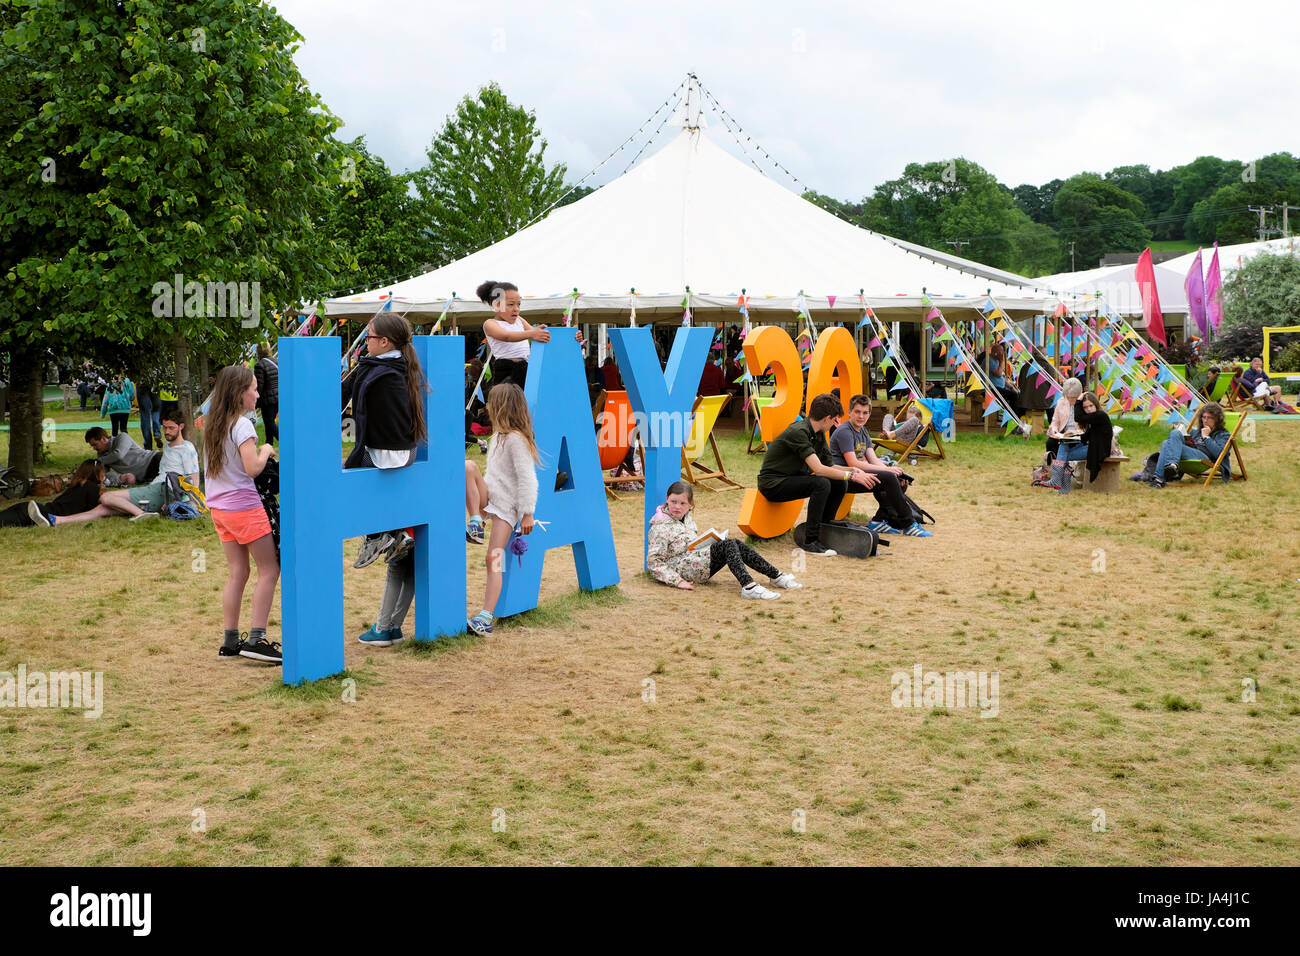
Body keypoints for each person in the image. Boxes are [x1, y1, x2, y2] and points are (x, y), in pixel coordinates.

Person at [204, 365, 280, 664]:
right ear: (240, 393)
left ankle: (230, 642)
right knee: (269, 570)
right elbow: (252, 469)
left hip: (219, 509)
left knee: (238, 572)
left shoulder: (213, 423)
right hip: (244, 508)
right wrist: (266, 451)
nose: (258, 394)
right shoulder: (244, 426)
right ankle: (258, 640)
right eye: (254, 388)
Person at [345, 313, 427, 574]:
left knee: (349, 475)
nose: (365, 342)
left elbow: (345, 395)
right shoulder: (401, 365)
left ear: (384, 342)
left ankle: (377, 534)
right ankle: (396, 531)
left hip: (388, 453)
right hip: (408, 451)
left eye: (368, 336)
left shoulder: (377, 372)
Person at [756, 392, 883, 555]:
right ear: (827, 418)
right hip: (773, 484)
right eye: (835, 419)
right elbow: (819, 469)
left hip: (791, 478)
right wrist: (852, 476)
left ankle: (825, 526)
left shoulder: (818, 433)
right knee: (821, 483)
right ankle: (810, 541)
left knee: (838, 481)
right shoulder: (799, 432)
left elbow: (830, 465)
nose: (835, 423)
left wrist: (853, 470)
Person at [468, 384, 540, 636]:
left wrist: (527, 513)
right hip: (490, 500)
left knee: (493, 559)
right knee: (468, 467)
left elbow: (527, 478)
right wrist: (481, 506)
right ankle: (475, 521)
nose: (486, 407)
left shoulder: (516, 441)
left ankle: (485, 617)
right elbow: (493, 475)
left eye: (490, 403)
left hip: (507, 510)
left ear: (502, 408)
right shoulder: (497, 438)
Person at [647, 481, 801, 599]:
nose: (677, 507)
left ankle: (776, 576)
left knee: (734, 543)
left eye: (682, 503)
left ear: (690, 505)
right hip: (681, 570)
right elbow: (654, 562)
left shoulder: (687, 518)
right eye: (673, 502)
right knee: (728, 545)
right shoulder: (660, 526)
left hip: (694, 559)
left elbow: (689, 543)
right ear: (667, 499)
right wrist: (678, 581)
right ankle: (749, 587)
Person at [830, 394, 932, 537]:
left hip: (859, 475)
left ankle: (878, 521)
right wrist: (888, 471)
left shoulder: (863, 431)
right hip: (843, 477)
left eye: (865, 413)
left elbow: (873, 459)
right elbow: (853, 463)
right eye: (857, 412)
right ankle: (908, 524)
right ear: (849, 412)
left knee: (899, 480)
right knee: (889, 477)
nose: (861, 416)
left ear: (869, 414)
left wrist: (891, 470)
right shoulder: (844, 431)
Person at [478, 279, 583, 393]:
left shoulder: (519, 320)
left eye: (518, 304)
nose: (516, 309)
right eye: (511, 304)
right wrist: (532, 333)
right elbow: (507, 336)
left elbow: (541, 335)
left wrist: (571, 337)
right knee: (508, 405)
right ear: (497, 305)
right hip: (505, 370)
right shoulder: (490, 324)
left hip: (526, 368)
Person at [97, 408, 200, 518]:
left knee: (105, 497)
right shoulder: (167, 446)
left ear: (181, 427)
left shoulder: (187, 448)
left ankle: (142, 514)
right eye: (164, 427)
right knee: (103, 509)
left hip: (164, 490)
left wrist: (176, 500)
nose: (166, 431)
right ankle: (75, 519)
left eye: (171, 428)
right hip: (156, 488)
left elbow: (194, 480)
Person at [0, 461, 113, 528]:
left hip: (34, 508)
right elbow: (102, 508)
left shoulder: (75, 486)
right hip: (38, 514)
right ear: (98, 473)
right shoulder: (91, 488)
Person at [1146, 402, 1232, 488]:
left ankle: (1161, 476)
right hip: (1191, 454)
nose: (1205, 421)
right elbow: (1188, 444)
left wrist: (1206, 437)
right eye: (1204, 417)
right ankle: (1170, 468)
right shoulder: (1196, 432)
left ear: (1217, 419)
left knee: (1166, 444)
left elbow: (1219, 453)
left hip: (1205, 458)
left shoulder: (1223, 435)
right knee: (1172, 436)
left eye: (1209, 418)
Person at [1045, 377, 1087, 494]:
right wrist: (1054, 430)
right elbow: (1055, 421)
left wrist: (1075, 433)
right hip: (1064, 433)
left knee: (1064, 446)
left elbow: (1088, 426)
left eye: (1074, 397)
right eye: (1069, 397)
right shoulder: (1061, 402)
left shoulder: (1086, 402)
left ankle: (1058, 479)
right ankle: (1056, 474)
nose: (1071, 399)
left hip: (1080, 434)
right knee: (1051, 443)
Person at [84, 426, 161, 485]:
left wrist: (95, 462)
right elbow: (103, 476)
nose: (94, 448)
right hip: (145, 476)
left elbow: (118, 455)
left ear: (104, 439)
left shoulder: (122, 437)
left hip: (154, 459)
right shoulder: (102, 456)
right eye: (92, 446)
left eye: (95, 444)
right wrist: (120, 478)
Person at [1073, 391, 1114, 487]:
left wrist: (1078, 401)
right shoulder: (1094, 419)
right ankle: (1059, 475)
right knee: (1061, 445)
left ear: (1096, 404)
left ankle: (1059, 477)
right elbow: (1086, 436)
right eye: (1085, 407)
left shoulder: (1100, 415)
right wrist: (1070, 436)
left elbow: (1078, 417)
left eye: (1091, 406)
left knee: (1064, 452)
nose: (1089, 409)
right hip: (1094, 447)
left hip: (1100, 451)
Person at [254, 344, 279, 444]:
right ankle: (269, 445)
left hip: (267, 399)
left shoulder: (259, 365)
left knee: (269, 422)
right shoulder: (276, 361)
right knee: (269, 423)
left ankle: (283, 440)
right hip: (278, 396)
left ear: (258, 352)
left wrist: (255, 401)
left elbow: (259, 386)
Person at [988, 342, 1021, 414]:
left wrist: (1011, 386)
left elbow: (1001, 377)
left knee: (1016, 394)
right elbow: (999, 374)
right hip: (991, 388)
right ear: (996, 353)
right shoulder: (990, 360)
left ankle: (1012, 416)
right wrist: (1001, 361)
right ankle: (1012, 417)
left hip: (999, 387)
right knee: (1013, 396)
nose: (1003, 353)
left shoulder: (995, 360)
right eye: (1002, 351)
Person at [136, 378, 162, 451]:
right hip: (155, 381)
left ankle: (148, 445)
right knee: (156, 410)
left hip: (141, 382)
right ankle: (157, 433)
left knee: (144, 415)